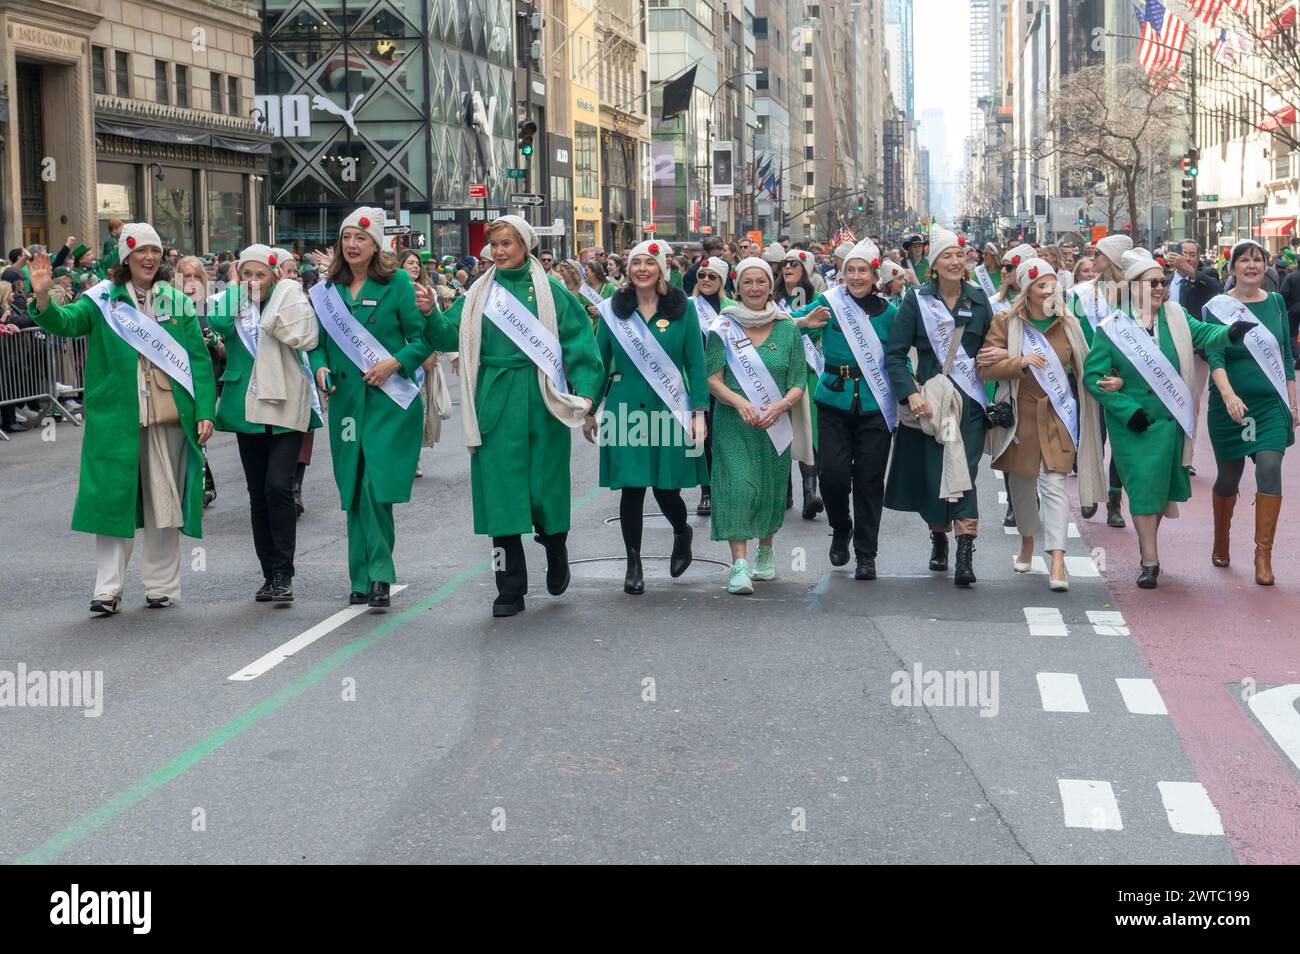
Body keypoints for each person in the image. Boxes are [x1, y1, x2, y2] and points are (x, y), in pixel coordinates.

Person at [26, 226, 216, 614]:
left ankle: (161, 587)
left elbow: (198, 361)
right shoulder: (101, 299)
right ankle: (107, 589)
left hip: (166, 417)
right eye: (141, 250)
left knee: (164, 503)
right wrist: (43, 296)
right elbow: (65, 323)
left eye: (154, 251)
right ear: (125, 258)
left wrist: (205, 412)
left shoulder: (177, 302)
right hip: (116, 419)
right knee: (113, 503)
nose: (149, 257)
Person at [422, 215, 603, 617]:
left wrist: (586, 392)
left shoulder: (552, 291)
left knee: (546, 489)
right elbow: (448, 334)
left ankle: (556, 548)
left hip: (543, 398)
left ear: (525, 245)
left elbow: (580, 343)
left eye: (507, 243)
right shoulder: (478, 293)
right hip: (495, 399)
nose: (500, 251)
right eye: (495, 244)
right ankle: (509, 587)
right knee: (500, 495)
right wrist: (431, 313)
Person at [1084, 249, 1253, 588]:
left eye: (1163, 281)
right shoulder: (1113, 327)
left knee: (1160, 493)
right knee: (1143, 488)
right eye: (1152, 283)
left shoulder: (1176, 316)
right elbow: (1093, 376)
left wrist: (1231, 333)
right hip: (1135, 424)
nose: (1160, 288)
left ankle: (1147, 541)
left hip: (1170, 421)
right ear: (1133, 286)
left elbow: (1204, 334)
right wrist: (1126, 409)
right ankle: (1150, 560)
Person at [308, 207, 436, 608]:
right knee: (352, 486)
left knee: (375, 486)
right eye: (346, 238)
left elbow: (422, 339)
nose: (352, 245)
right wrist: (320, 367)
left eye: (360, 238)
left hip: (389, 401)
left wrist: (395, 363)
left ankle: (379, 573)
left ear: (376, 245)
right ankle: (359, 578)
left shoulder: (397, 283)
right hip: (347, 403)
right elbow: (318, 344)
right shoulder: (329, 289)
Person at [585, 240, 708, 594]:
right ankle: (633, 563)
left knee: (667, 489)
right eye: (636, 263)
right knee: (632, 488)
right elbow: (598, 363)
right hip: (625, 408)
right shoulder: (613, 311)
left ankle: (681, 532)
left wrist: (699, 413)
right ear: (628, 269)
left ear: (661, 269)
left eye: (649, 263)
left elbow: (695, 364)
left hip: (670, 408)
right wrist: (589, 409)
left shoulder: (683, 310)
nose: (642, 269)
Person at [978, 257, 1105, 592]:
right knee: (1022, 487)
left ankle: (1058, 559)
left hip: (1057, 414)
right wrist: (1018, 362)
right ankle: (1027, 542)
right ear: (1027, 289)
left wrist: (1111, 380)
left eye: (1052, 284)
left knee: (1054, 485)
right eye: (1041, 285)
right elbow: (985, 368)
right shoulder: (1006, 322)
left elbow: (1089, 364)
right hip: (1020, 414)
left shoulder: (1069, 323)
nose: (1049, 290)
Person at [207, 245, 320, 601]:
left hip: (284, 403)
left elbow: (306, 335)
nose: (254, 281)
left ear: (275, 275)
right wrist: (235, 288)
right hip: (247, 407)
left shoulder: (288, 297)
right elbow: (218, 323)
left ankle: (284, 572)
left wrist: (278, 287)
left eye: (261, 275)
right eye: (247, 274)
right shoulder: (234, 301)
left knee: (278, 487)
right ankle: (269, 573)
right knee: (257, 493)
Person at [884, 226, 992, 587]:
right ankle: (939, 536)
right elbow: (895, 354)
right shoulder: (916, 301)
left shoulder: (978, 300)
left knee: (965, 471)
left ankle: (965, 551)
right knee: (936, 473)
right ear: (933, 264)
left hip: (969, 405)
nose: (955, 261)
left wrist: (998, 361)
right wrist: (909, 394)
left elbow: (992, 347)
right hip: (933, 405)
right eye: (947, 255)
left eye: (960, 255)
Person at [706, 256, 813, 594]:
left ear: (770, 286)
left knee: (769, 487)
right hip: (734, 422)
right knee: (738, 487)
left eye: (761, 281)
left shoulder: (787, 327)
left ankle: (765, 553)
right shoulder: (723, 327)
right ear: (737, 288)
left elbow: (798, 381)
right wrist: (740, 403)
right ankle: (739, 565)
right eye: (748, 282)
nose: (754, 287)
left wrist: (781, 406)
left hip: (775, 424)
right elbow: (713, 379)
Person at [793, 239, 899, 580]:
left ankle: (866, 554)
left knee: (869, 481)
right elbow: (790, 322)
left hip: (874, 405)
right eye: (850, 270)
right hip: (834, 401)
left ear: (874, 275)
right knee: (833, 478)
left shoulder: (890, 314)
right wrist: (804, 323)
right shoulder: (830, 302)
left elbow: (899, 357)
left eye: (862, 270)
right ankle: (841, 527)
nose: (855, 277)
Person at [1201, 240, 1297, 585]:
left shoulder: (1276, 303)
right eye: (1244, 260)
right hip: (1230, 406)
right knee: (1229, 477)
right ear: (1233, 269)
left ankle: (1263, 556)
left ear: (1265, 267)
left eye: (1258, 260)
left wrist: (1292, 402)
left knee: (1269, 468)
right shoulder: (1218, 308)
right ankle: (1221, 539)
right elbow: (1215, 355)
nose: (1252, 265)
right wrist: (1228, 395)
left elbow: (1285, 356)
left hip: (1270, 405)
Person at [1069, 233, 1133, 526]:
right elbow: (1072, 331)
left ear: (1113, 258)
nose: (1093, 259)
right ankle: (1090, 492)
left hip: (1124, 377)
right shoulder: (1081, 294)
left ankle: (1115, 501)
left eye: (1099, 254)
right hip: (1090, 374)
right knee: (1093, 435)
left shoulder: (1134, 293)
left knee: (1120, 441)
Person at [775, 248, 825, 518]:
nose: (788, 267)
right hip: (778, 373)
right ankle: (784, 492)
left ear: (805, 269)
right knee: (780, 431)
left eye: (794, 263)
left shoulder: (816, 299)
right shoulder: (773, 298)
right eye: (784, 263)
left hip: (808, 372)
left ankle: (809, 494)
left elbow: (819, 331)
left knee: (808, 431)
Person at [174, 255, 224, 507]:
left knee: (198, 432)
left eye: (196, 276)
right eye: (186, 276)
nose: (191, 281)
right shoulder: (168, 307)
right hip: (178, 380)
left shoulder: (211, 308)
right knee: (184, 434)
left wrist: (214, 342)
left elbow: (227, 352)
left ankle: (198, 488)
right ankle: (201, 484)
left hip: (207, 380)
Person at [691, 256, 737, 516]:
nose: (706, 280)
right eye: (702, 275)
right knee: (702, 436)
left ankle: (728, 488)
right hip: (698, 380)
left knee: (726, 436)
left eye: (712, 276)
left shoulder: (733, 308)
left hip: (727, 380)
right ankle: (706, 490)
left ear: (722, 280)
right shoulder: (688, 306)